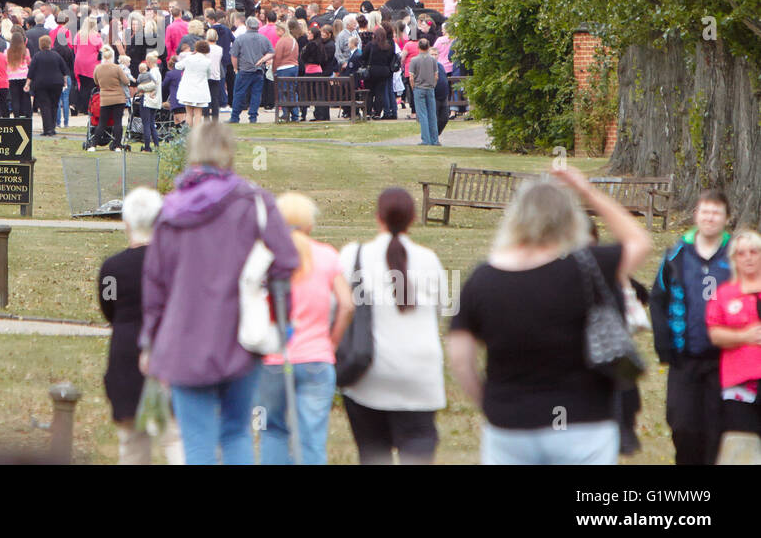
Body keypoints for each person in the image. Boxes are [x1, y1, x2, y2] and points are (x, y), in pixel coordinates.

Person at [448, 170, 653, 464]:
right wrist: (588, 192)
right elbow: (638, 241)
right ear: (571, 219)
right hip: (584, 421)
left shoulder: (482, 279)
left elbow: (460, 358)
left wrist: (489, 403)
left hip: (511, 424)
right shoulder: (588, 266)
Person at [139, 121, 298, 464]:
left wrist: (149, 342)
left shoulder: (170, 211)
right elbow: (287, 259)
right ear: (229, 151)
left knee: (197, 441)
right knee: (237, 432)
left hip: (182, 338)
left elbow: (154, 284)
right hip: (240, 335)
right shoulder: (255, 202)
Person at [338, 187, 446, 464]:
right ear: (412, 220)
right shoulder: (429, 259)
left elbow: (336, 305)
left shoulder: (353, 256)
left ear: (378, 217)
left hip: (369, 373)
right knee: (418, 448)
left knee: (373, 453)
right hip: (420, 374)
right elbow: (441, 308)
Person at [255, 192, 353, 465]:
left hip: (273, 359)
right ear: (310, 224)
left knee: (272, 431)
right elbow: (346, 305)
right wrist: (331, 342)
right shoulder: (326, 256)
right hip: (315, 358)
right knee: (311, 437)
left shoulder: (265, 258)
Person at [98, 186, 183, 464]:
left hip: (126, 355)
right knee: (176, 437)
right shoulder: (175, 266)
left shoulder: (112, 269)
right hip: (169, 353)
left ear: (126, 223)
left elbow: (109, 309)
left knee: (132, 444)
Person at [650, 188, 735, 465]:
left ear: (726, 218)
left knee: (717, 430)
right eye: (705, 211)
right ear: (696, 214)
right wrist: (663, 343)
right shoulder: (676, 254)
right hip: (683, 357)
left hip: (725, 360)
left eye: (716, 212)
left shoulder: (737, 255)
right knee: (683, 426)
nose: (710, 217)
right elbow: (657, 297)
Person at [705, 230, 761, 454]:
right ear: (734, 259)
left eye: (753, 252)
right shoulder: (724, 294)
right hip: (740, 385)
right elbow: (714, 333)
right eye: (741, 253)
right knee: (741, 449)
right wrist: (743, 337)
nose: (747, 257)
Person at [228, 16, 274, 124]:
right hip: (258, 71)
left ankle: (235, 117)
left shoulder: (240, 39)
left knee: (239, 93)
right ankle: (253, 117)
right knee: (256, 94)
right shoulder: (263, 39)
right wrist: (262, 60)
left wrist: (235, 68)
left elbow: (234, 56)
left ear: (247, 26)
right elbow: (271, 52)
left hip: (244, 70)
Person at [87, 46, 132, 151]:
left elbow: (96, 81)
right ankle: (117, 145)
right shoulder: (117, 68)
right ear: (112, 57)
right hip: (118, 98)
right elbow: (126, 81)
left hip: (105, 99)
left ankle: (93, 145)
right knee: (117, 122)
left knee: (102, 122)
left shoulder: (98, 68)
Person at [26, 34, 68, 137]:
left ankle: (47, 129)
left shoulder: (37, 56)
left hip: (41, 84)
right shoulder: (56, 55)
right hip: (56, 83)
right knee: (54, 105)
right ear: (50, 44)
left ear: (40, 45)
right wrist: (65, 82)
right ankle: (52, 128)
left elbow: (31, 72)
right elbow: (64, 70)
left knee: (45, 106)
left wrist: (27, 84)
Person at [410, 39, 440, 145]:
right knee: (432, 114)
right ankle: (435, 140)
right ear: (428, 47)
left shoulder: (414, 60)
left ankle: (426, 139)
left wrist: (413, 87)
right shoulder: (433, 60)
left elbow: (411, 78)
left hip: (419, 88)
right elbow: (436, 76)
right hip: (430, 88)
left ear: (418, 47)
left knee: (422, 114)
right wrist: (433, 85)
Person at [175, 41, 212, 127]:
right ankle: (196, 134)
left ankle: (189, 133)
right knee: (198, 113)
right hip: (200, 89)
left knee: (189, 113)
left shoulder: (189, 58)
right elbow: (209, 75)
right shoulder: (207, 61)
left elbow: (177, 66)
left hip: (188, 88)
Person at [73, 16, 103, 115]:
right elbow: (101, 49)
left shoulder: (78, 35)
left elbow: (75, 48)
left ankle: (81, 107)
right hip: (92, 63)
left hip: (79, 62)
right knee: (91, 86)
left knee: (82, 85)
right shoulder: (97, 36)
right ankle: (89, 107)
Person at [138, 54, 162, 153]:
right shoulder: (157, 71)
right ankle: (156, 145)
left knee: (146, 124)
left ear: (148, 62)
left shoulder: (152, 72)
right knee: (152, 123)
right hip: (155, 101)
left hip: (148, 100)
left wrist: (141, 87)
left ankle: (147, 147)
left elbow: (153, 84)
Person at [5, 32, 32, 120]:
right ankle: (25, 115)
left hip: (12, 77)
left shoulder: (7, 51)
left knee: (15, 98)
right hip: (24, 75)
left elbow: (5, 63)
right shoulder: (25, 51)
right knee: (24, 97)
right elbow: (29, 62)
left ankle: (16, 116)